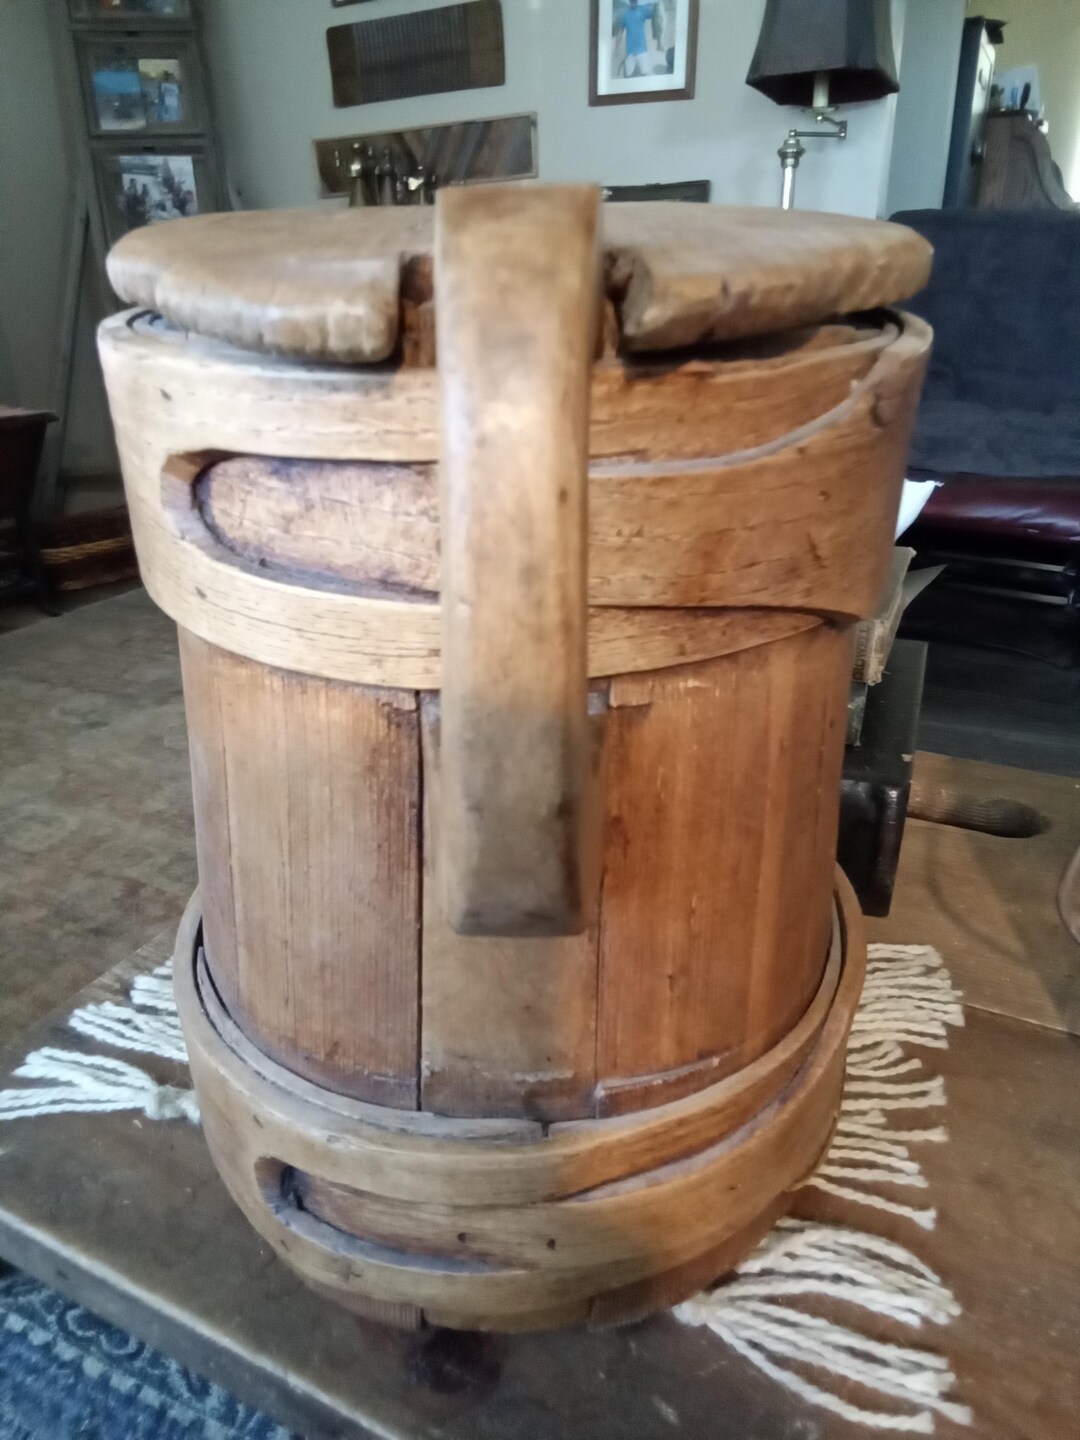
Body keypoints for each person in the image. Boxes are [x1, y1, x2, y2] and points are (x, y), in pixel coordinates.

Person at [613, 0, 657, 80]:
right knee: (628, 77)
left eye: (635, 0)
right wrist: (616, 48)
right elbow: (620, 33)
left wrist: (656, 4)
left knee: (649, 75)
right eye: (632, 0)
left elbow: (653, 14)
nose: (634, 1)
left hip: (642, 51)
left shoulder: (643, 10)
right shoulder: (624, 14)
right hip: (630, 52)